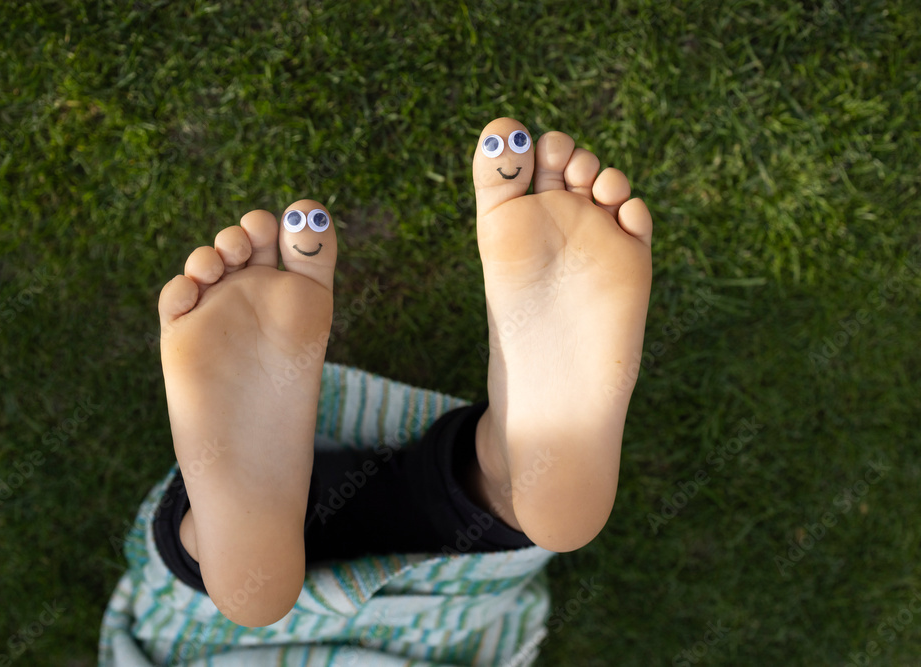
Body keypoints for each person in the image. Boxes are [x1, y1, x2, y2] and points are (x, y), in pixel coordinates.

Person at [98, 117, 653, 666]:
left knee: (222, 586)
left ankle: (225, 549)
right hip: (432, 621)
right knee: (469, 522)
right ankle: (507, 473)